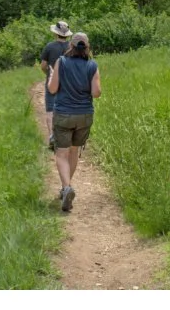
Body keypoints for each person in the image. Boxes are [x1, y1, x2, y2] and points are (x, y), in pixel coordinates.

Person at [45, 32, 99, 213]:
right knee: (74, 150)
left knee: (61, 153)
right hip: (84, 115)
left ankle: (66, 187)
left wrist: (52, 76)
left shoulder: (62, 62)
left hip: (63, 114)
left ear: (72, 46)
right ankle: (66, 187)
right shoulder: (92, 65)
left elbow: (52, 89)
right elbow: (96, 93)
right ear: (87, 47)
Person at [38, 22, 72, 151]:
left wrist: (49, 74)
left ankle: (52, 137)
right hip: (68, 83)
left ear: (55, 33)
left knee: (50, 109)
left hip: (52, 81)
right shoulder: (71, 47)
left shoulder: (49, 47)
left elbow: (43, 66)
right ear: (67, 35)